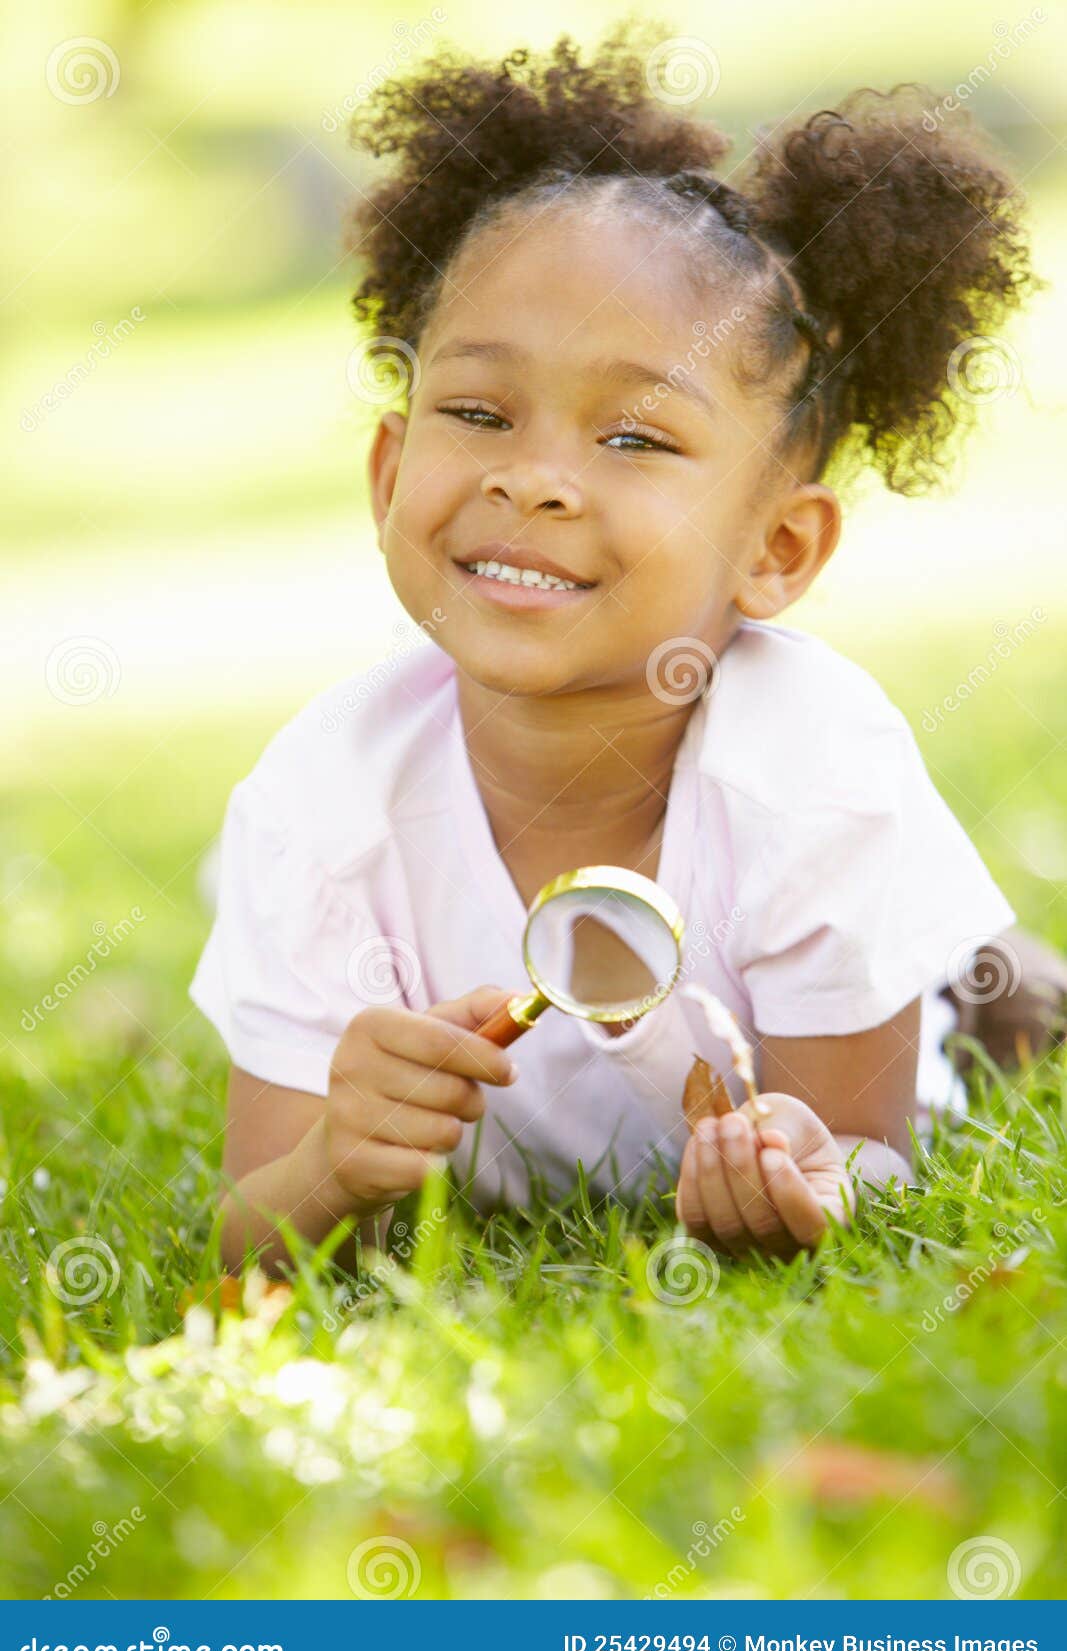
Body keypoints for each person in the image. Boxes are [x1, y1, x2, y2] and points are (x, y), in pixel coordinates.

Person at [190, 25, 1064, 1275]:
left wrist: (805, 1177)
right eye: (479, 413)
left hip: (869, 973)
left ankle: (987, 991)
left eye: (635, 439)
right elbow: (245, 1238)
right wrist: (332, 1162)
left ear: (776, 548)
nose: (534, 478)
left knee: (981, 1014)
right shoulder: (318, 800)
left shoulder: (812, 763)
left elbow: (869, 1159)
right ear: (389, 474)